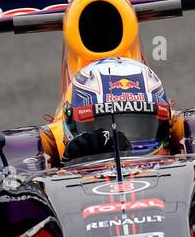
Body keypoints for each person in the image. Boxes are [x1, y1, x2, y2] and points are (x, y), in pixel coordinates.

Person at [43, 57, 172, 163]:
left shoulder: (180, 128)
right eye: (104, 128)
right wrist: (68, 164)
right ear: (71, 124)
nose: (123, 146)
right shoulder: (50, 143)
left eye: (138, 127)